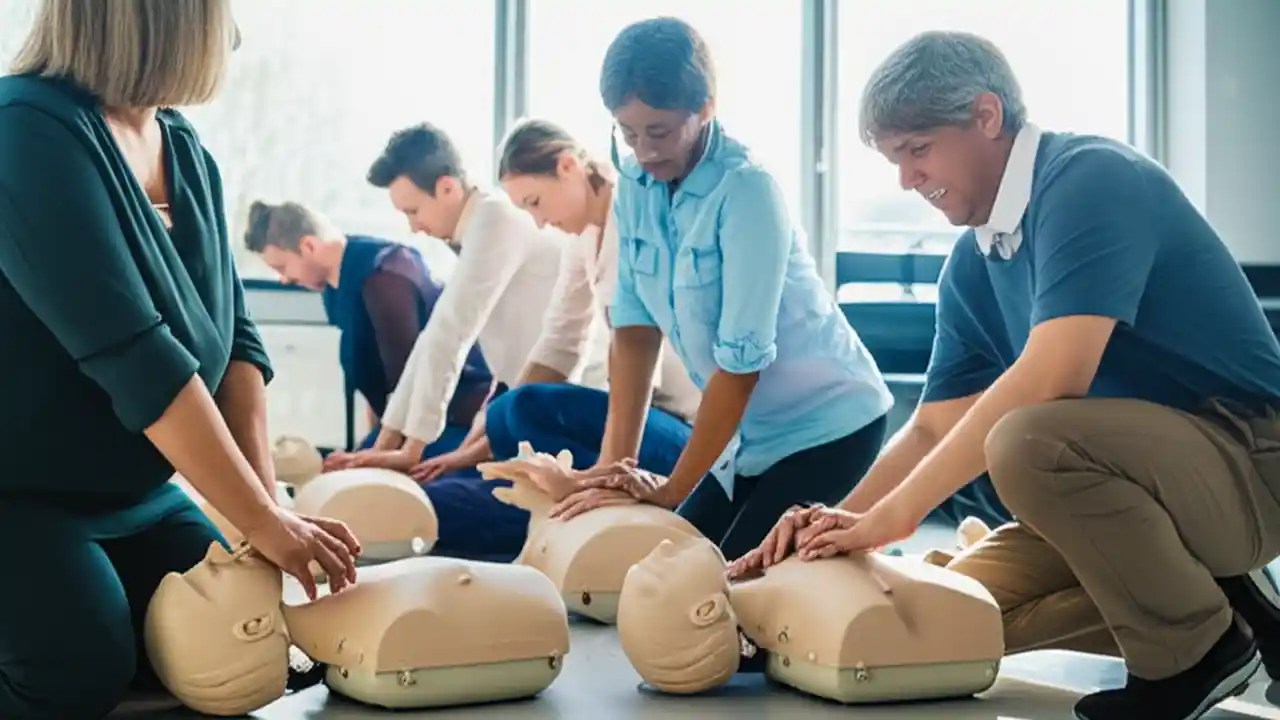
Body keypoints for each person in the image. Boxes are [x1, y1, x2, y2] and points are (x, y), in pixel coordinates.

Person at [731, 31, 1280, 720]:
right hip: (1146, 489)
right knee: (948, 620)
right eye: (893, 158)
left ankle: (1197, 652)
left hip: (1251, 463)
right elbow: (933, 424)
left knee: (1025, 439)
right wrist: (843, 523)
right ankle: (1238, 611)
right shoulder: (972, 262)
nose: (905, 178)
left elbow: (1055, 374)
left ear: (986, 116)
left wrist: (893, 517)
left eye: (917, 149)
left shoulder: (1089, 180)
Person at [0, 2, 360, 717]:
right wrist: (260, 523)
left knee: (228, 646)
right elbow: (136, 355)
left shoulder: (182, 144)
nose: (231, 34)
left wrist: (264, 513)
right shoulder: (25, 129)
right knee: (76, 671)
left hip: (138, 495)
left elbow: (236, 349)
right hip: (20, 493)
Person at [520, 17, 895, 563]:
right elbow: (633, 335)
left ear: (707, 108)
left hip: (828, 427)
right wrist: (612, 472)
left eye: (660, 132)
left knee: (729, 593)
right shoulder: (636, 190)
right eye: (628, 132)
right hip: (748, 443)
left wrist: (672, 488)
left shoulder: (747, 191)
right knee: (664, 570)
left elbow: (741, 365)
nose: (644, 151)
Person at [325, 122, 564, 561]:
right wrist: (384, 445)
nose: (414, 228)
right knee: (365, 471)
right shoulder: (478, 227)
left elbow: (450, 333)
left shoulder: (496, 217)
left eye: (414, 211)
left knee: (415, 500)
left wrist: (409, 450)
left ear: (448, 187)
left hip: (546, 422)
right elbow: (432, 340)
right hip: (511, 408)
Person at [483, 117, 701, 480]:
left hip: (686, 427)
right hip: (652, 420)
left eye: (535, 202)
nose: (538, 222)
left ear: (568, 165)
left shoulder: (632, 213)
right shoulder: (582, 237)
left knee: (526, 408)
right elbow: (560, 343)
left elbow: (639, 348)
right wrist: (489, 432)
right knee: (503, 413)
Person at [243, 200, 492, 453]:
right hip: (405, 423)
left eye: (281, 267)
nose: (284, 279)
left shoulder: (385, 275)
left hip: (449, 422)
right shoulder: (333, 286)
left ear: (308, 246)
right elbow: (380, 386)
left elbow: (404, 379)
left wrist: (378, 452)